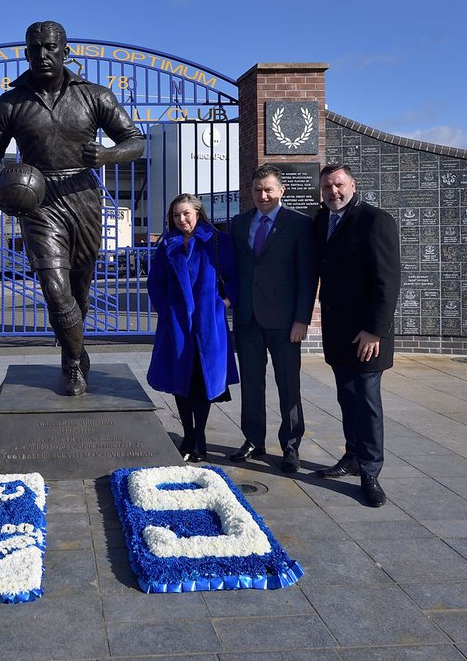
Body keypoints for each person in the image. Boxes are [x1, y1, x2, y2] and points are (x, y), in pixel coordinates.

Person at [0, 20, 145, 396]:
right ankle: (73, 365)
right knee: (55, 289)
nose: (43, 54)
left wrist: (108, 154)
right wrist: (1, 184)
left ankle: (74, 348)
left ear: (65, 51)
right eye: (35, 48)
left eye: (50, 47)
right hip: (37, 200)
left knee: (78, 293)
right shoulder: (11, 102)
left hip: (83, 197)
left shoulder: (95, 96)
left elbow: (135, 140)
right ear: (26, 53)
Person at [313, 163, 401, 507]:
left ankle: (370, 471)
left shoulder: (375, 220)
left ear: (353, 184)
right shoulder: (322, 220)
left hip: (367, 335)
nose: (333, 192)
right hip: (338, 332)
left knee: (367, 404)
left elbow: (387, 281)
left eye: (338, 185)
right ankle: (351, 456)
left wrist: (374, 331)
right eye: (327, 187)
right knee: (347, 398)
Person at [228, 165, 317, 474]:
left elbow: (307, 276)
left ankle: (291, 445)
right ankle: (254, 440)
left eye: (268, 189)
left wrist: (301, 319)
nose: (262, 195)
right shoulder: (239, 223)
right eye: (257, 190)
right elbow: (233, 268)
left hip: (285, 321)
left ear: (281, 190)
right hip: (248, 318)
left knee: (288, 385)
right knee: (251, 384)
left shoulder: (300, 224)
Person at [146, 194, 239, 462]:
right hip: (176, 324)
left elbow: (235, 276)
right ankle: (187, 435)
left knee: (201, 382)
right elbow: (155, 282)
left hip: (208, 323)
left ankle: (199, 437)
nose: (181, 219)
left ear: (198, 212)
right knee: (180, 381)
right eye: (176, 215)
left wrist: (223, 303)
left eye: (186, 213)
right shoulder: (167, 244)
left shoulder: (218, 241)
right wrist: (166, 310)